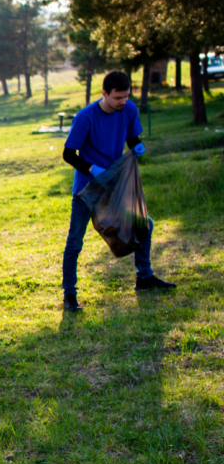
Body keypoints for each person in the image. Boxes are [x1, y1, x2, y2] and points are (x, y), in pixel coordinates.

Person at [61, 70, 176, 311]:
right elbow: (68, 154)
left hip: (114, 184)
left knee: (145, 224)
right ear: (104, 94)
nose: (123, 101)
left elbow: (132, 138)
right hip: (87, 189)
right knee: (75, 242)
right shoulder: (85, 117)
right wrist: (92, 169)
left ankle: (144, 277)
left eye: (126, 96)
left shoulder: (129, 109)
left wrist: (138, 145)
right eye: (118, 97)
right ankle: (69, 295)